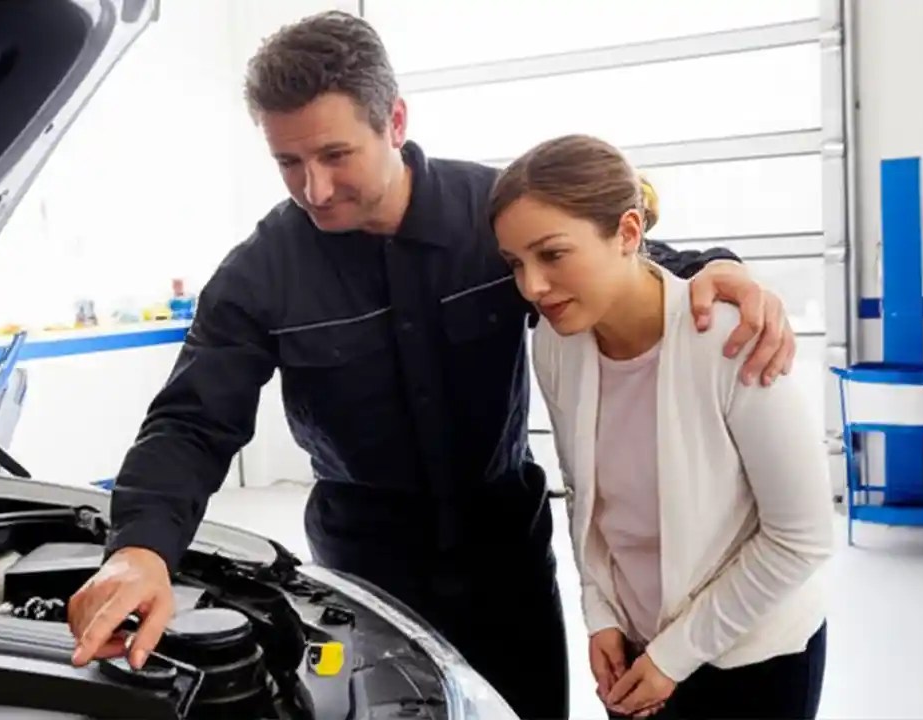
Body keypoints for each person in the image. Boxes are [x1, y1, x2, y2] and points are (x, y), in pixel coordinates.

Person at [66, 11, 799, 718]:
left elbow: (619, 265)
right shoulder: (262, 274)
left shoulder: (495, 214)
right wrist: (139, 547)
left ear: (395, 122)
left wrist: (717, 268)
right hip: (367, 575)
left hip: (506, 558)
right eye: (288, 162)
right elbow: (193, 421)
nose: (313, 188)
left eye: (334, 155)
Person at [490, 133, 832, 719]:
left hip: (749, 659)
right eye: (515, 264)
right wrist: (600, 617)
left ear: (626, 233)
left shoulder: (731, 339)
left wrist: (674, 656)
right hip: (636, 651)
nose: (532, 287)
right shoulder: (555, 343)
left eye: (552, 255)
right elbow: (586, 498)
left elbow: (800, 538)